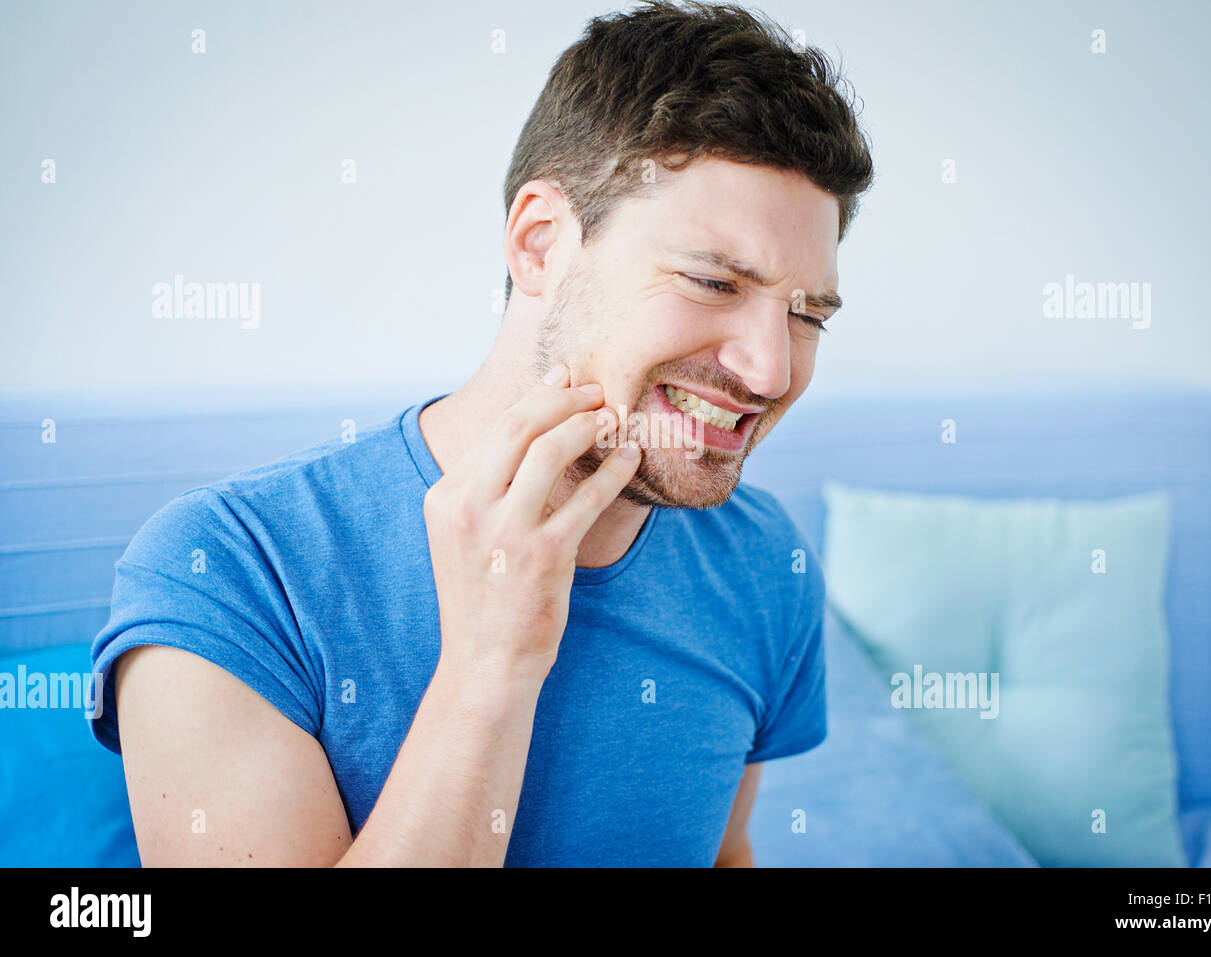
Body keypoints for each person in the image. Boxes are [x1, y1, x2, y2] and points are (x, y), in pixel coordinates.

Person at [89, 0, 874, 866]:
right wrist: (492, 665)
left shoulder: (764, 564)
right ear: (539, 244)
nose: (771, 371)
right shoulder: (228, 572)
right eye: (713, 282)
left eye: (807, 314)